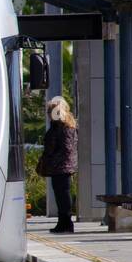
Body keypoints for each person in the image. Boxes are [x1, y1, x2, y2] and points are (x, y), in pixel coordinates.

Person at [38, 95, 78, 234]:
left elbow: (66, 148)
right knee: (60, 195)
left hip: (61, 167)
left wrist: (52, 156)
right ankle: (63, 222)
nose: (49, 115)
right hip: (60, 166)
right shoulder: (60, 126)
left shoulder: (63, 127)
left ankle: (66, 222)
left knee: (63, 195)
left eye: (50, 112)